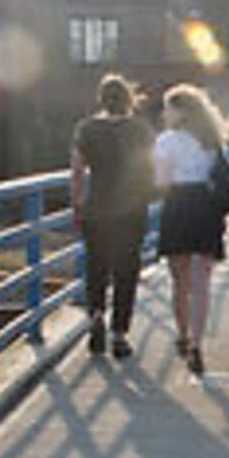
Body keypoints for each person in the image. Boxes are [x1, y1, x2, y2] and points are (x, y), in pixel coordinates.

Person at [70, 74, 155, 358]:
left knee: (96, 267)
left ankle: (96, 317)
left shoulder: (86, 128)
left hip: (97, 209)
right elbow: (150, 168)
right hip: (131, 210)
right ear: (128, 99)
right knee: (126, 272)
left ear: (101, 99)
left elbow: (77, 170)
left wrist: (78, 205)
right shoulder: (141, 130)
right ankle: (119, 334)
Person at [152, 84, 229, 376]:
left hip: (178, 206)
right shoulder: (211, 139)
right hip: (206, 208)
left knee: (179, 281)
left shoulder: (165, 141)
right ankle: (197, 344)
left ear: (180, 111)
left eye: (168, 107)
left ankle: (183, 335)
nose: (164, 113)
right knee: (201, 284)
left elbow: (161, 182)